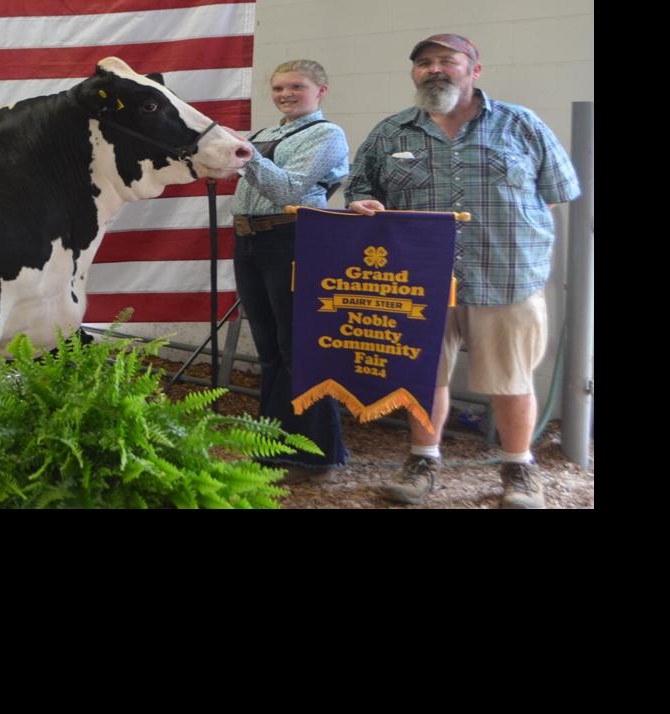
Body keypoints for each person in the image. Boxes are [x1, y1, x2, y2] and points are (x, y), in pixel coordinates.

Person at [346, 34, 581, 509]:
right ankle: (422, 461)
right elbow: (359, 188)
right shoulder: (391, 132)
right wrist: (360, 202)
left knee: (512, 379)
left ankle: (519, 469)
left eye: (447, 61)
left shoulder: (521, 124)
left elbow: (558, 192)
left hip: (506, 275)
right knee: (422, 377)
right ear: (415, 73)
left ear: (474, 70)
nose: (434, 69)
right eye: (424, 63)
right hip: (417, 281)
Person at [231, 59, 351, 479]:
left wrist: (244, 154)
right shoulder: (264, 134)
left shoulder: (326, 134)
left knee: (297, 347)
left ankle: (315, 454)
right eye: (279, 88)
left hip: (292, 238)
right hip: (249, 238)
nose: (285, 95)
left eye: (296, 87)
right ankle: (272, 445)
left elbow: (287, 189)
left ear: (321, 90)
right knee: (268, 347)